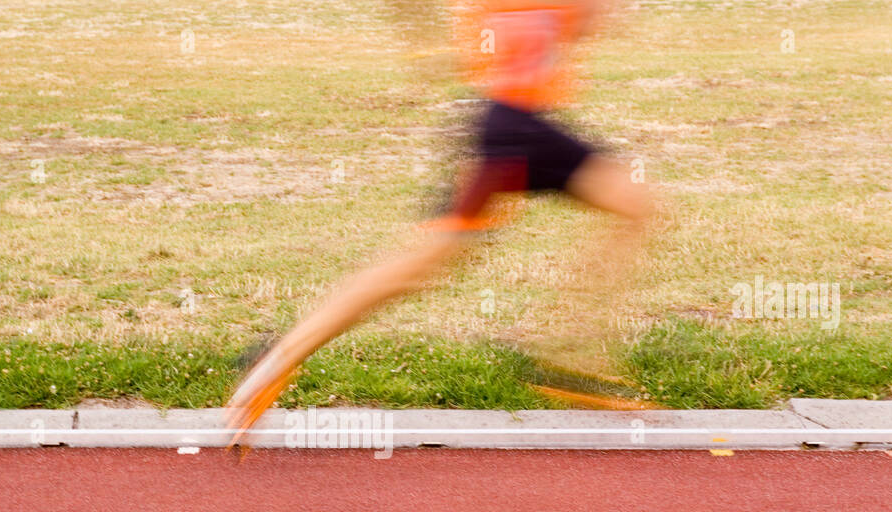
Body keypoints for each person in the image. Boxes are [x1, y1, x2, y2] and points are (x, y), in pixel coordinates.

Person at [226, 0, 658, 443]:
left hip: (505, 128)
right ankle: (567, 353)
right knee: (637, 207)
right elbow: (589, 23)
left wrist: (427, 46)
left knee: (427, 260)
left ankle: (279, 355)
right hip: (514, 129)